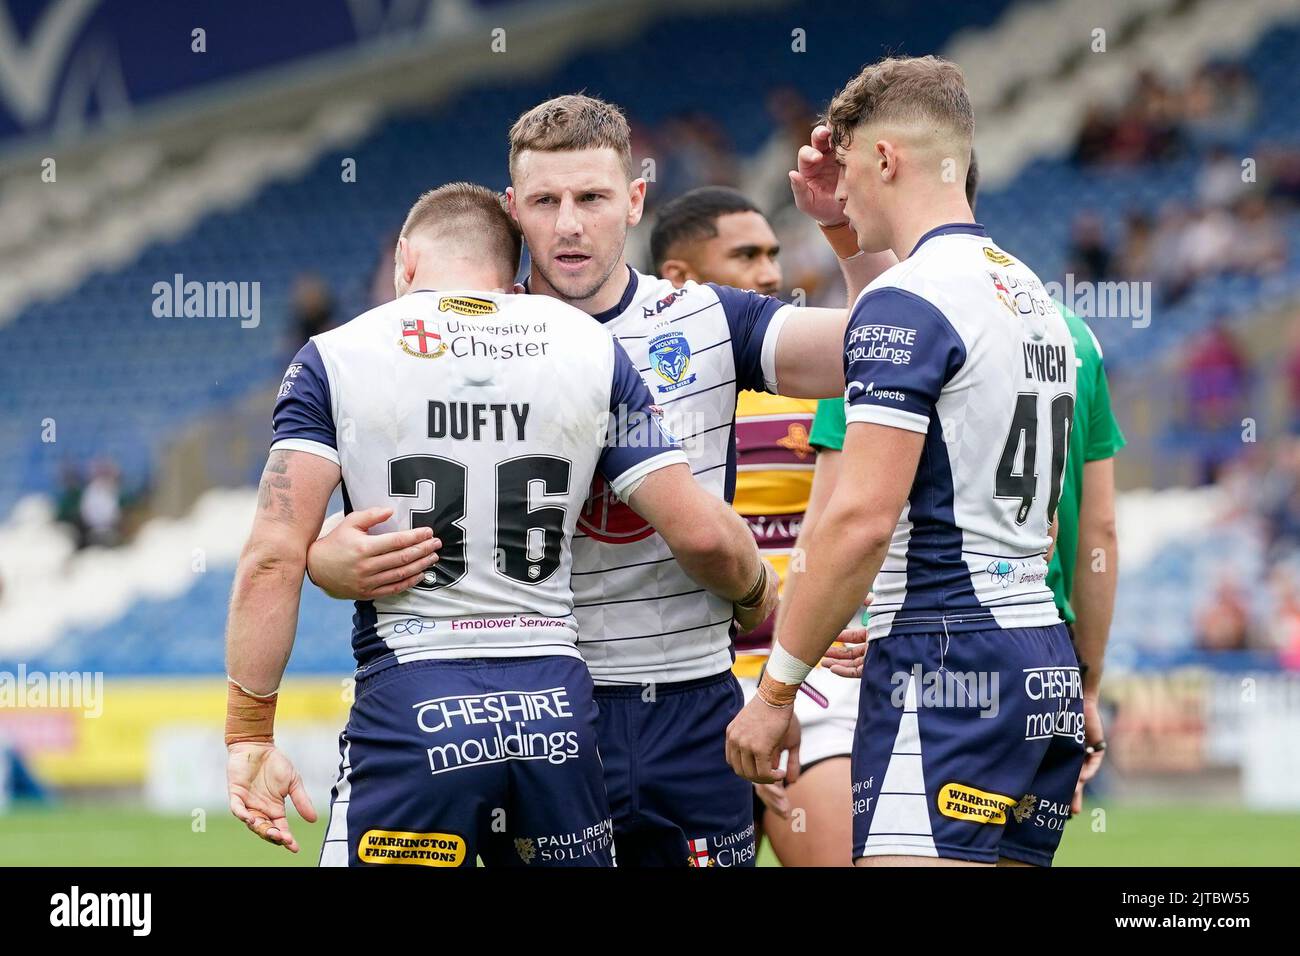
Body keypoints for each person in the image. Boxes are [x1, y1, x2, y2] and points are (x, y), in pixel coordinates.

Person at [306, 93, 895, 866]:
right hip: (544, 708)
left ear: (635, 200)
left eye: (592, 198)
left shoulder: (707, 320)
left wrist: (848, 234)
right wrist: (325, 556)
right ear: (513, 212)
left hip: (690, 701)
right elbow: (363, 492)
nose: (569, 225)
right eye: (545, 202)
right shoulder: (453, 345)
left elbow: (888, 349)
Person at [223, 182, 778, 866]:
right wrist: (760, 593)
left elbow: (270, 557)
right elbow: (700, 531)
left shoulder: (336, 354)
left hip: (417, 695)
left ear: (406, 259)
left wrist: (250, 735)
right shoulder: (589, 347)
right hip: (558, 707)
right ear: (512, 275)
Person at [726, 55, 1084, 868]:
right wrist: (843, 233)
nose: (841, 188)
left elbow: (861, 519)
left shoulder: (912, 299)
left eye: (849, 167)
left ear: (885, 158)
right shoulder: (1028, 293)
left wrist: (777, 691)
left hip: (945, 658)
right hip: (1037, 657)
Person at [817, 152, 1123, 818]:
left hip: (937, 643)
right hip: (1045, 654)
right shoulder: (1068, 329)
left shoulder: (893, 334)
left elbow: (845, 521)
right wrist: (1089, 687)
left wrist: (782, 682)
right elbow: (1097, 530)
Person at [650, 185, 861, 866]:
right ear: (679, 278)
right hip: (682, 686)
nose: (771, 273)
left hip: (808, 679)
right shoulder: (634, 397)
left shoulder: (822, 385)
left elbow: (869, 517)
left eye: (772, 253)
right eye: (746, 256)